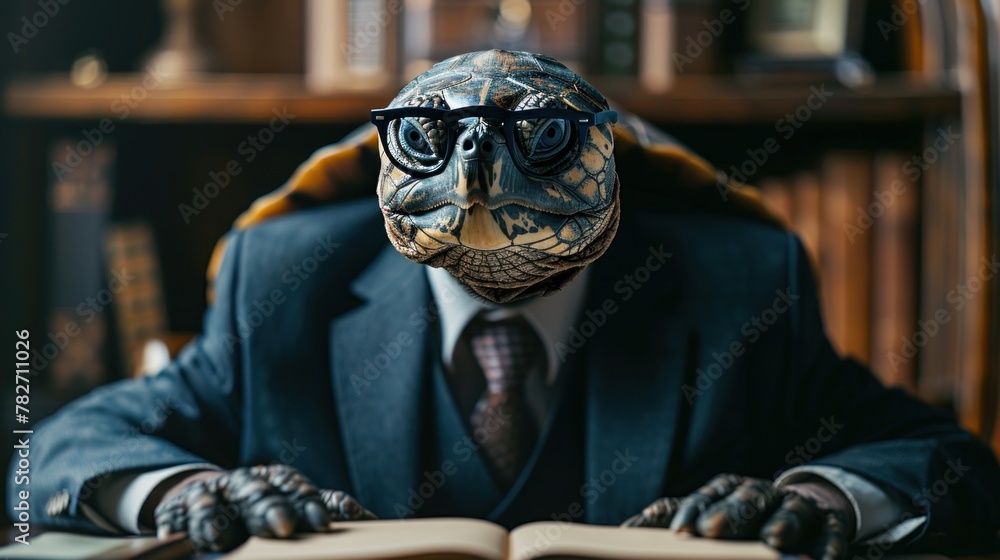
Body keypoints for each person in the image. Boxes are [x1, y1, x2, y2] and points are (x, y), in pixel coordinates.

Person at [9, 50, 1000, 559]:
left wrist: (818, 498)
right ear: (383, 152)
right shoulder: (282, 277)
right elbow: (60, 447)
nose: (478, 172)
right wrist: (180, 491)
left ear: (611, 156)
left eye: (546, 140)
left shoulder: (740, 279)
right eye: (428, 141)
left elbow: (949, 463)